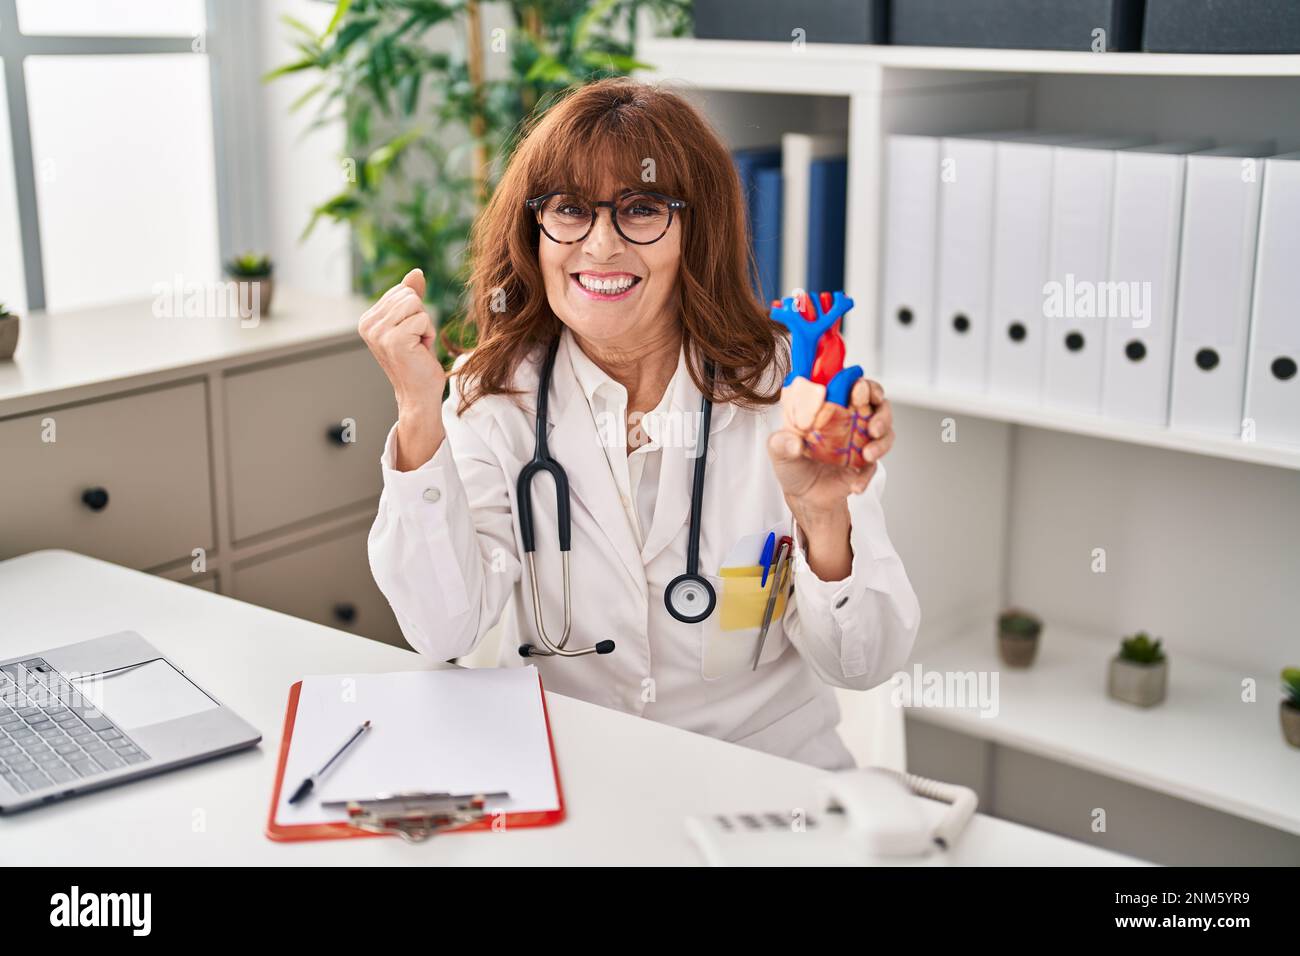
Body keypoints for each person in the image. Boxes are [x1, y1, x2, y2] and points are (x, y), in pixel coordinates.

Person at [359, 78, 919, 770]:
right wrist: (420, 414)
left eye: (643, 209)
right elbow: (443, 629)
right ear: (536, 230)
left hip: (766, 787)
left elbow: (864, 662)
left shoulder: (793, 393)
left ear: (697, 230)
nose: (600, 245)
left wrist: (824, 518)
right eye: (569, 209)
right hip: (577, 780)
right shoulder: (494, 394)